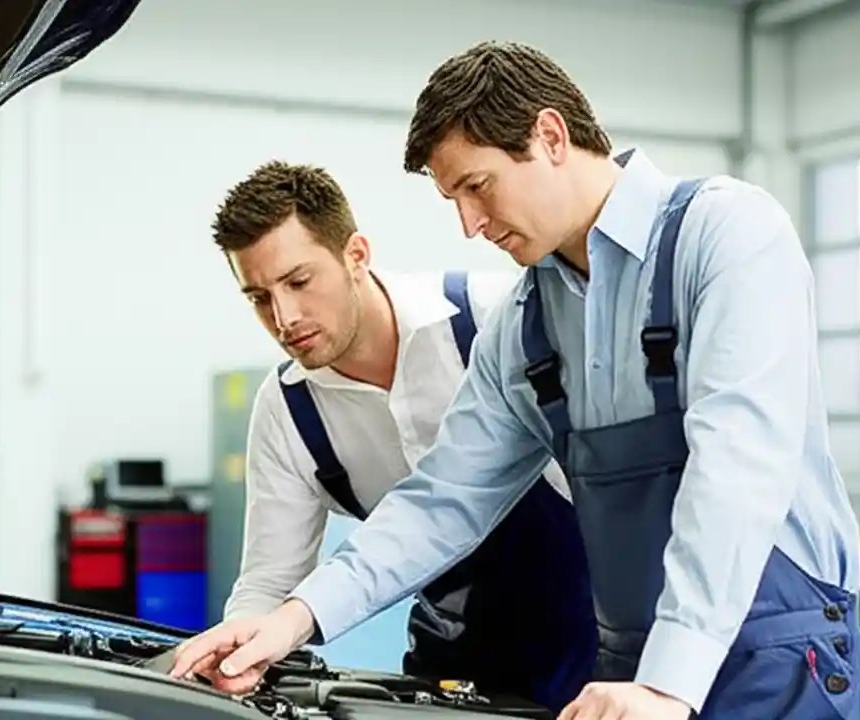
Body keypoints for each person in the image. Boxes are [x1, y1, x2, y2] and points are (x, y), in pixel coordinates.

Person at [171, 42, 860, 720]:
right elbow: (443, 499)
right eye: (454, 200)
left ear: (550, 136)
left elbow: (737, 466)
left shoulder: (725, 234)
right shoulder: (525, 323)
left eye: (477, 188)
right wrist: (292, 619)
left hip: (770, 659)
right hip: (627, 672)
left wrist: (667, 682)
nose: (471, 225)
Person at [205, 159, 597, 709]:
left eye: (298, 282)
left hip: (594, 635)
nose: (284, 316)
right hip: (460, 659)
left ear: (356, 256)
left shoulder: (492, 319)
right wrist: (237, 650)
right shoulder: (286, 411)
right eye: (258, 297)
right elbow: (270, 580)